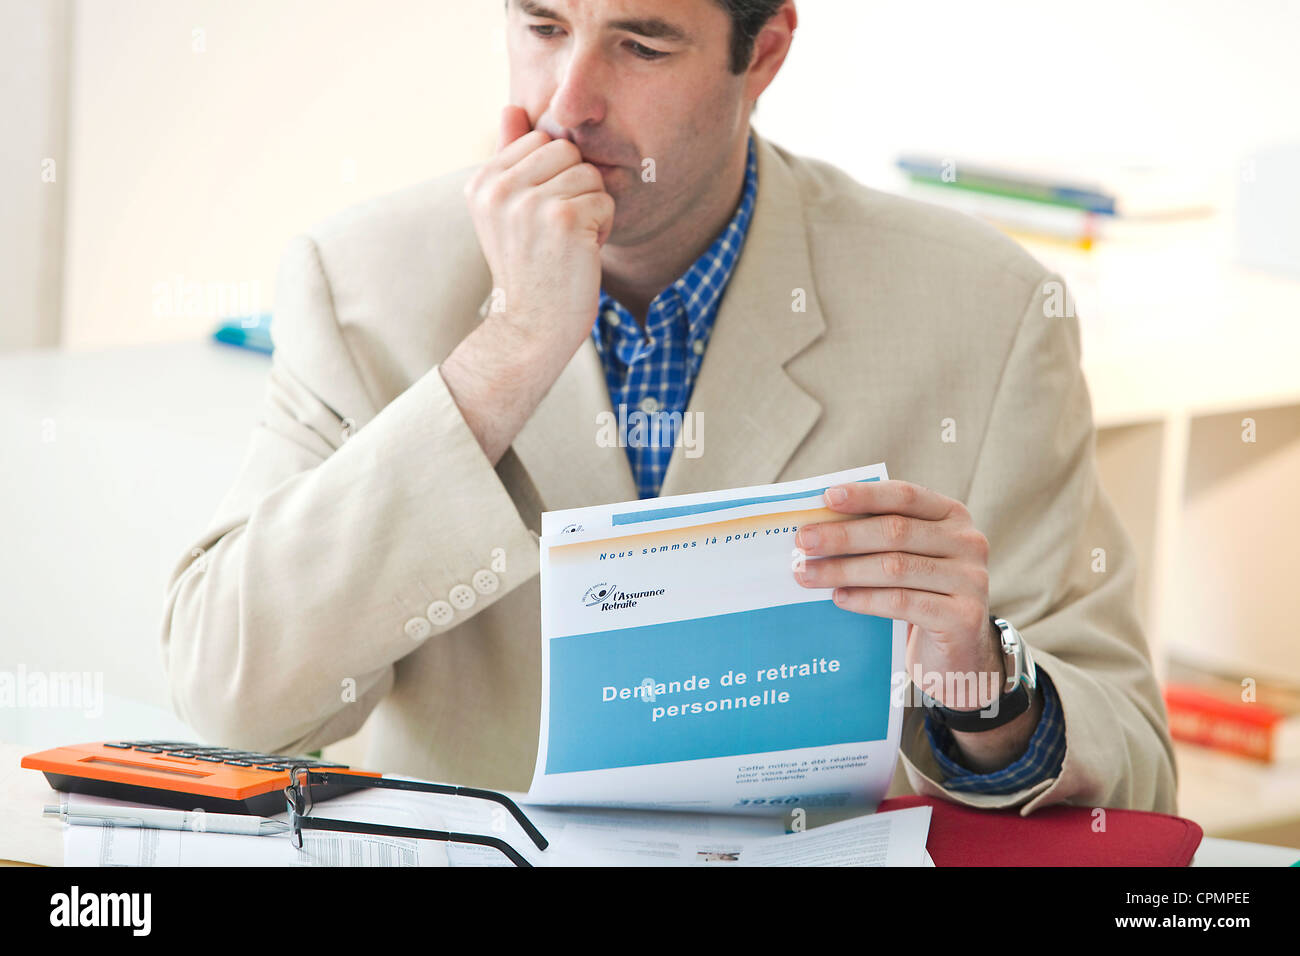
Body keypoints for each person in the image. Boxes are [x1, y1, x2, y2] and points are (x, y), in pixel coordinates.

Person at [161, 0, 1176, 814]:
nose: (570, 103)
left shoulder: (984, 309)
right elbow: (230, 701)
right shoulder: (364, 282)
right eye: (542, 27)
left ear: (764, 51)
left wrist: (981, 686)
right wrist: (506, 352)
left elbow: (1133, 768)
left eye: (640, 44)